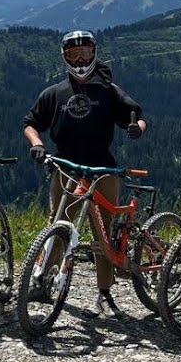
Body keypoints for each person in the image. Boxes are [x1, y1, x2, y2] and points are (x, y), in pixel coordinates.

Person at [21, 30, 146, 317]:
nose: (80, 59)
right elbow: (30, 123)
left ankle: (104, 292)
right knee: (59, 226)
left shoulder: (109, 91)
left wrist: (137, 128)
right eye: (73, 54)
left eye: (85, 53)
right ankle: (44, 282)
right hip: (66, 168)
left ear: (94, 53)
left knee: (104, 232)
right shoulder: (53, 93)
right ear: (64, 57)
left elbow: (137, 114)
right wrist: (37, 145)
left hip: (103, 170)